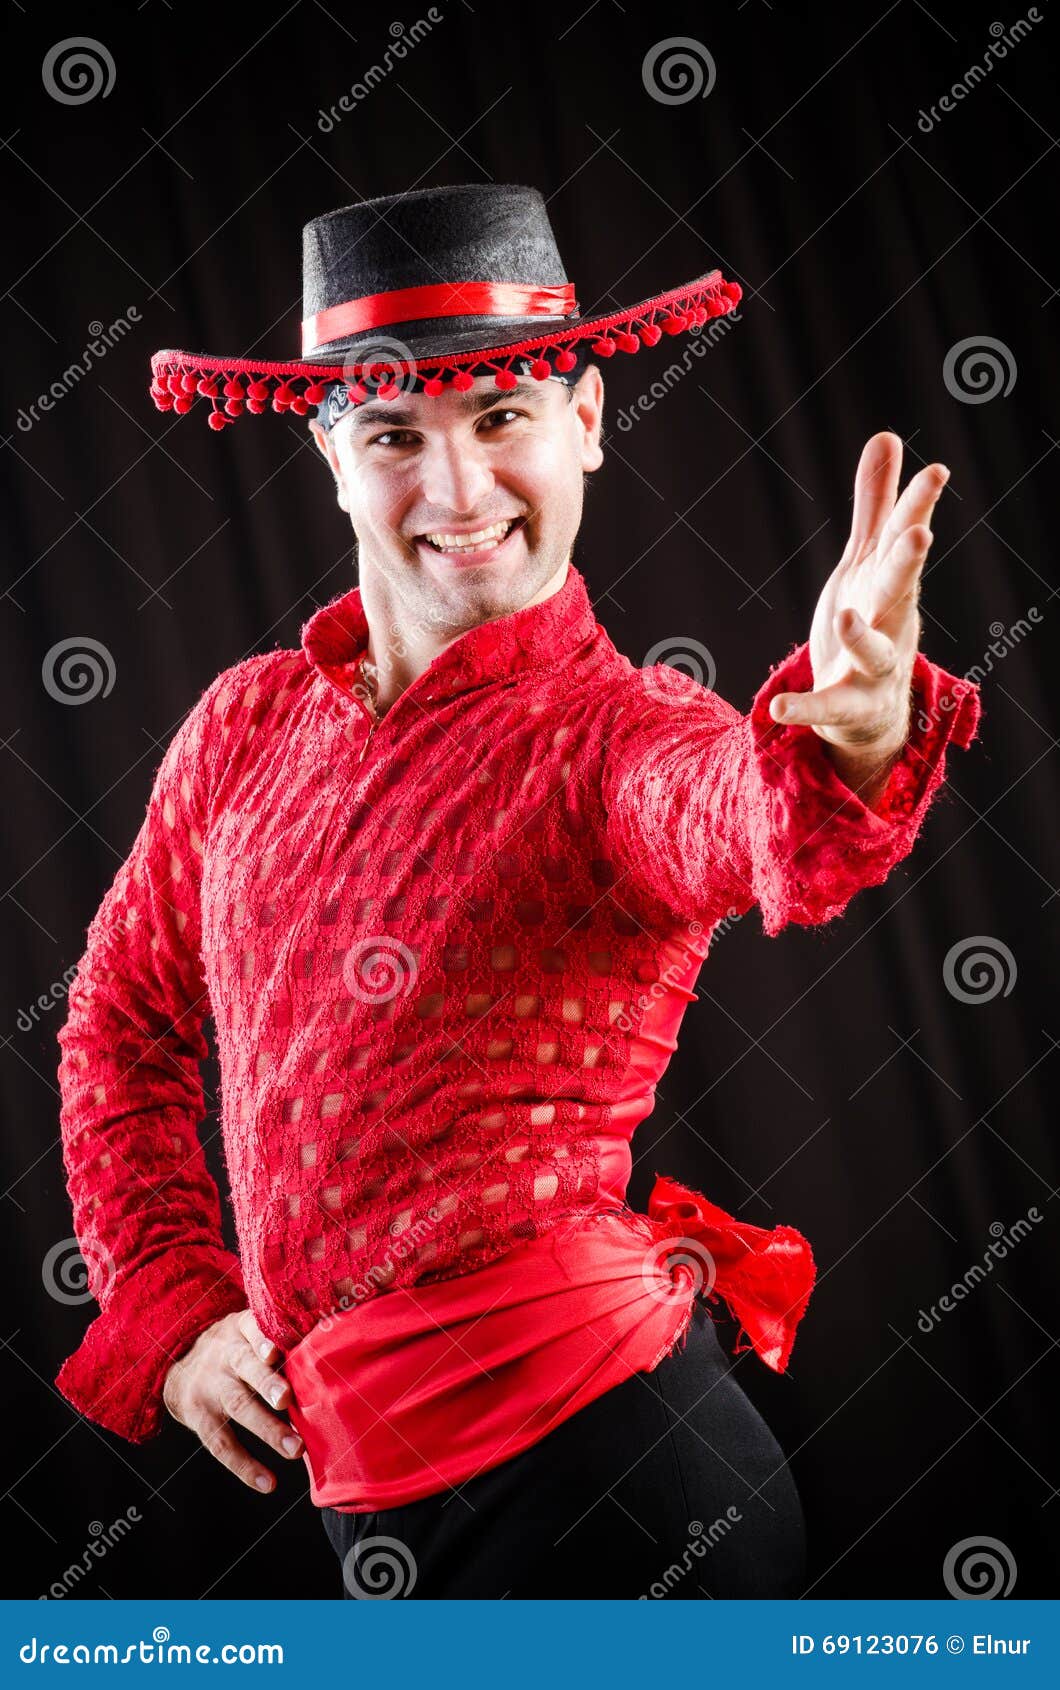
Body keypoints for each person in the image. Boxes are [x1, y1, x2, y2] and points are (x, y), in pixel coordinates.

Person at [54, 184, 983, 1599]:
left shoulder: (620, 739)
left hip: (624, 1499)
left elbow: (739, 811)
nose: (460, 491)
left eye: (500, 417)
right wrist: (174, 1311)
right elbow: (119, 1020)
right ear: (329, 457)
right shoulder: (245, 722)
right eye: (392, 436)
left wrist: (851, 733)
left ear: (589, 422)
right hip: (380, 1523)